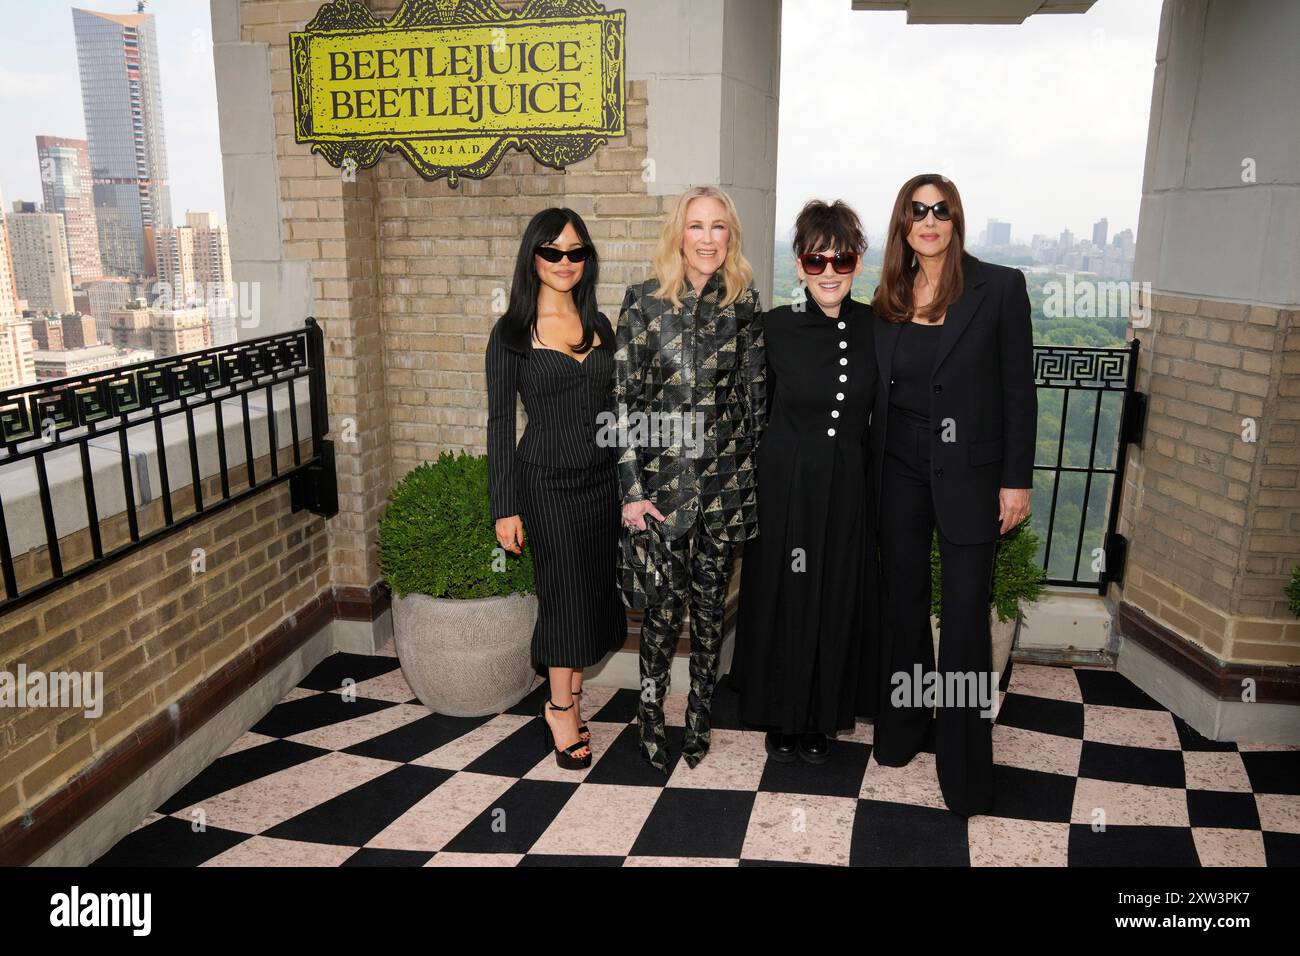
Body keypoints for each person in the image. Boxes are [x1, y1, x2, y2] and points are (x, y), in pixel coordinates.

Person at [869, 174, 1036, 816]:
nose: (930, 220)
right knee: (903, 606)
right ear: (904, 223)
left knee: (964, 617)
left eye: (941, 210)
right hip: (898, 470)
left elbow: (1019, 391)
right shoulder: (888, 295)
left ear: (955, 219)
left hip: (970, 471)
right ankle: (906, 727)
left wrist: (1014, 479)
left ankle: (965, 766)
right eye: (918, 210)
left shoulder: (1000, 286)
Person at [613, 186, 766, 772]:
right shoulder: (644, 303)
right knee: (658, 616)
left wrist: (755, 484)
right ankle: (649, 715)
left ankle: (699, 717)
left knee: (708, 617)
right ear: (680, 232)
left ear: (731, 237)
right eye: (696, 225)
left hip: (724, 491)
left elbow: (756, 408)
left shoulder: (745, 307)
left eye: (719, 227)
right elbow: (622, 404)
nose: (707, 237)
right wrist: (630, 492)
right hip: (658, 492)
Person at [732, 199, 880, 765]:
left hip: (846, 485)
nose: (828, 273)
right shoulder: (774, 327)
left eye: (840, 262)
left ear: (857, 263)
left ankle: (821, 715)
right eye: (816, 261)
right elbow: (745, 408)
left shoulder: (875, 327)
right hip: (786, 482)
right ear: (798, 263)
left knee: (834, 593)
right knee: (785, 593)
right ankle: (782, 712)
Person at [486, 207, 626, 770]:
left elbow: (615, 415)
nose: (564, 262)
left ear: (586, 259)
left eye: (575, 252)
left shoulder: (601, 326)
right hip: (545, 484)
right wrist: (505, 508)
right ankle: (560, 707)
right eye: (552, 252)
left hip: (602, 485)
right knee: (564, 596)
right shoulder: (512, 334)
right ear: (533, 258)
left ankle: (568, 692)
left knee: (590, 591)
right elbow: (499, 424)